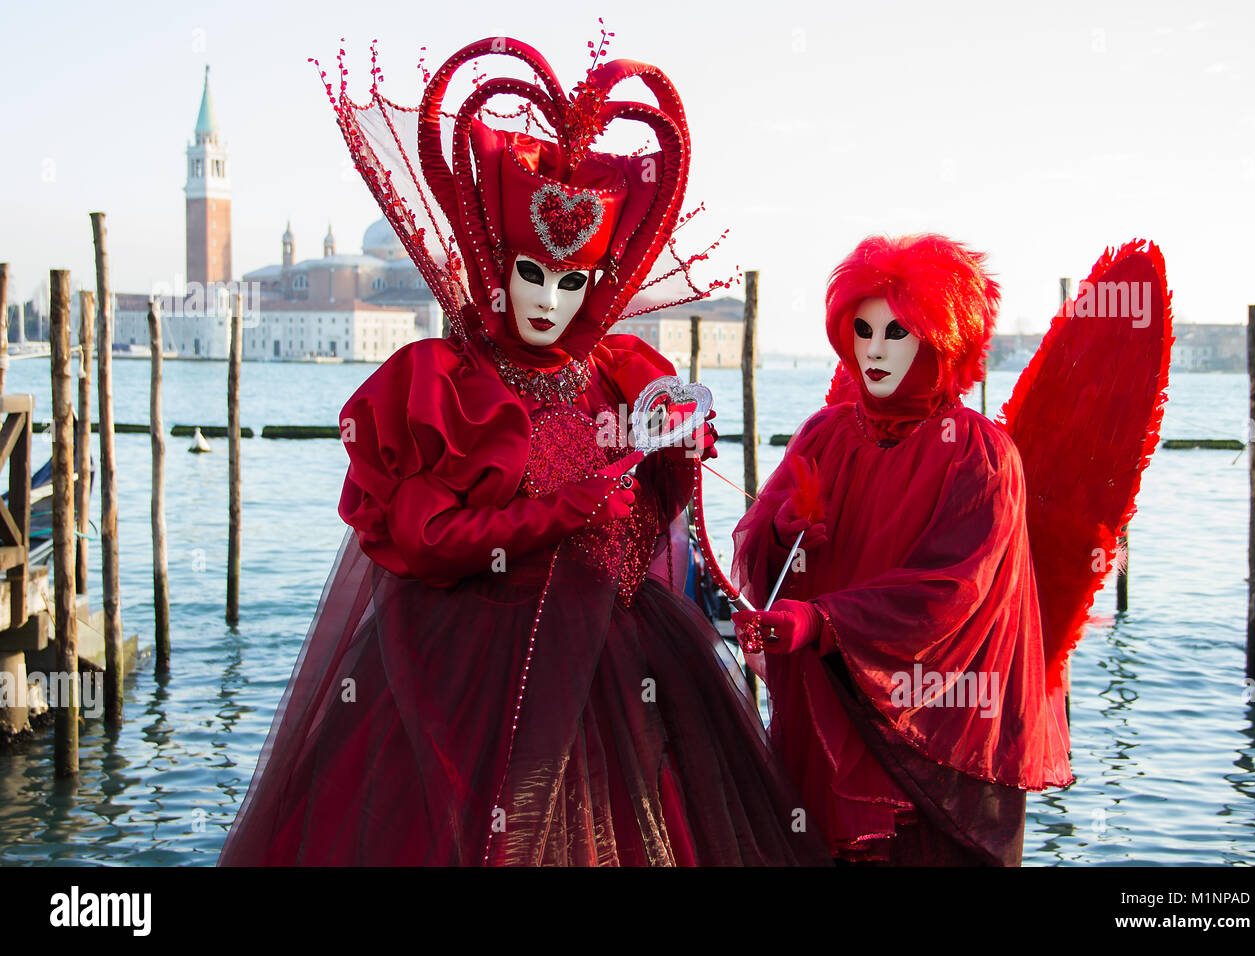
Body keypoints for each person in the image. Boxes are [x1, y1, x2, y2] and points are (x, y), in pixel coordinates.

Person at [218, 36, 829, 866]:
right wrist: (567, 506)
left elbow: (655, 525)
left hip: (616, 670)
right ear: (500, 266)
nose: (549, 300)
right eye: (533, 274)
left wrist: (674, 455)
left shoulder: (626, 378)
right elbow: (429, 540)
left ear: (597, 284)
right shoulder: (443, 385)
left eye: (571, 282)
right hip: (467, 666)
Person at [731, 234, 1074, 866]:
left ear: (942, 340)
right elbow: (757, 556)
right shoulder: (824, 434)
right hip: (826, 702)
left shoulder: (981, 455)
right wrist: (780, 530)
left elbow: (950, 590)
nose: (875, 350)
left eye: (897, 332)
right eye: (863, 330)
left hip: (929, 720)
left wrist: (821, 620)